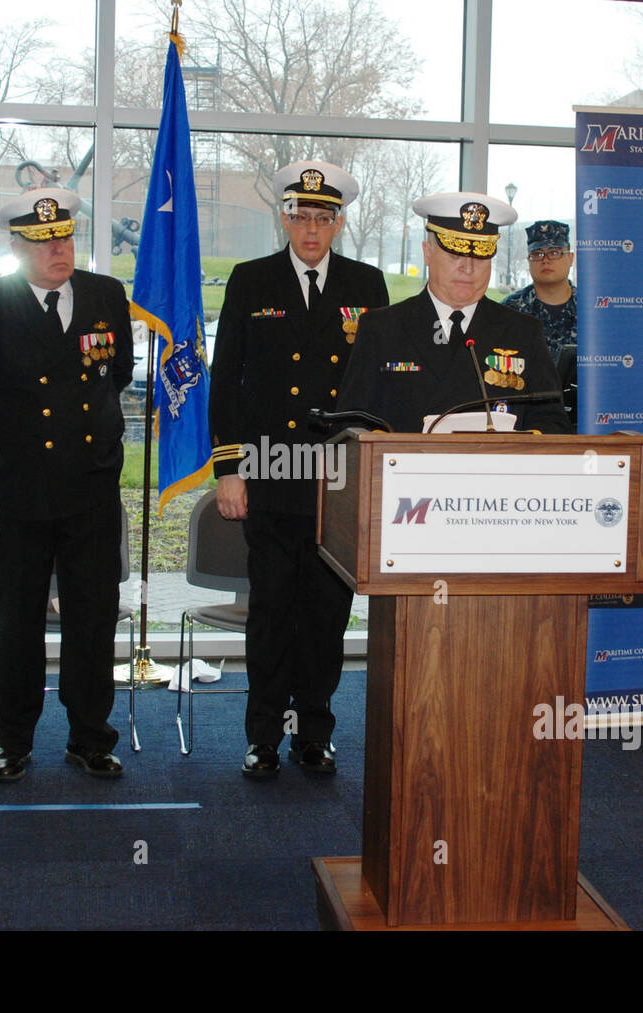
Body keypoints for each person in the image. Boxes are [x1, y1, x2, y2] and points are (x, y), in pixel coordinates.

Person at [0, 187, 131, 783]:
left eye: (66, 237)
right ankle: (15, 738)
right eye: (44, 240)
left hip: (90, 489)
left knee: (93, 618)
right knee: (16, 620)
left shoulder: (106, 295)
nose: (59, 250)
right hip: (16, 494)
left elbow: (116, 375)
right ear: (17, 245)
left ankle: (90, 736)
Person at [209, 160, 389, 779]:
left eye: (324, 217)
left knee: (325, 617)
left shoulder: (367, 286)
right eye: (301, 215)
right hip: (268, 476)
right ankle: (261, 736)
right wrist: (229, 470)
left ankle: (314, 731)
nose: (311, 228)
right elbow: (226, 380)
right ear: (284, 218)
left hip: (335, 485)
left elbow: (376, 391)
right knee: (270, 614)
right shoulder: (251, 280)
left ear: (339, 222)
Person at [336, 191, 572, 436]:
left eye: (479, 258)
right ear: (428, 252)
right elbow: (350, 423)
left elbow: (552, 424)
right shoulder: (381, 329)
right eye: (455, 254)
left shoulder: (522, 332)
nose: (467, 268)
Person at [502, 219, 578, 425]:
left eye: (554, 252)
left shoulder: (593, 311)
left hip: (584, 419)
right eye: (537, 254)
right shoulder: (510, 311)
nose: (545, 260)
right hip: (526, 421)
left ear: (570, 258)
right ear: (528, 261)